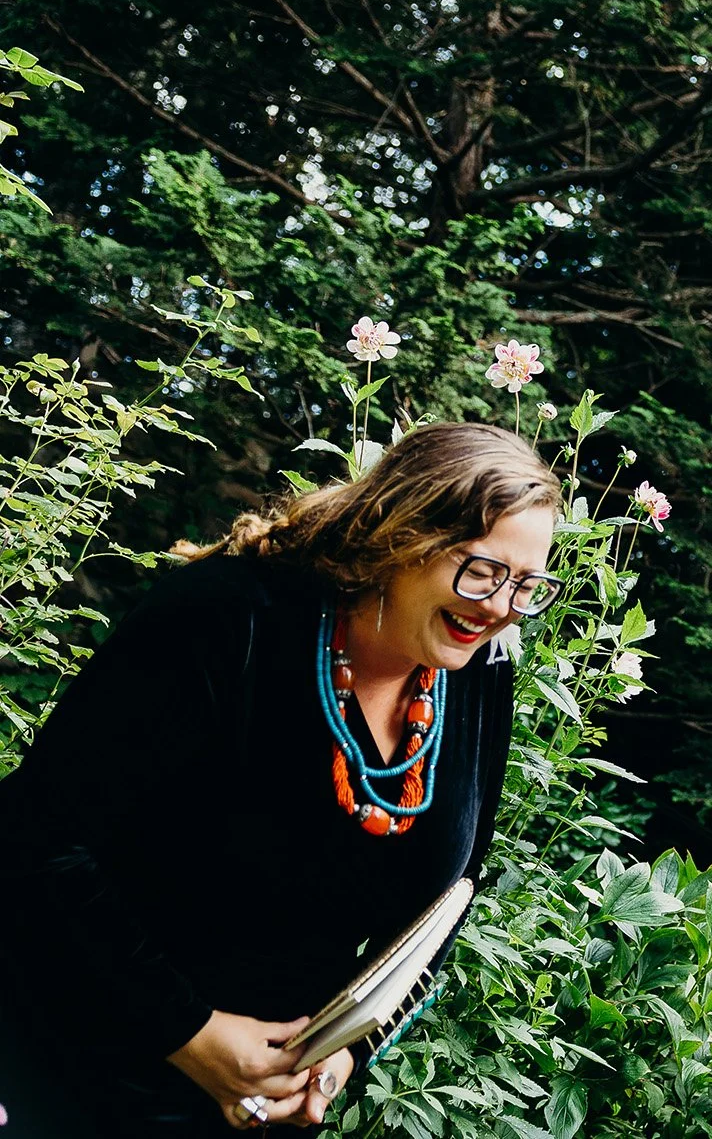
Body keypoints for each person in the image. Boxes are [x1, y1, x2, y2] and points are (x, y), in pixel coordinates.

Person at [0, 422, 562, 1135]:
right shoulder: (227, 619)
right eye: (481, 570)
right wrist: (190, 1034)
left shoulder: (481, 668)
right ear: (404, 535)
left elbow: (451, 897)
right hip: (67, 1063)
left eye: (527, 585)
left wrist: (346, 1052)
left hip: (261, 1106)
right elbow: (36, 841)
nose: (501, 607)